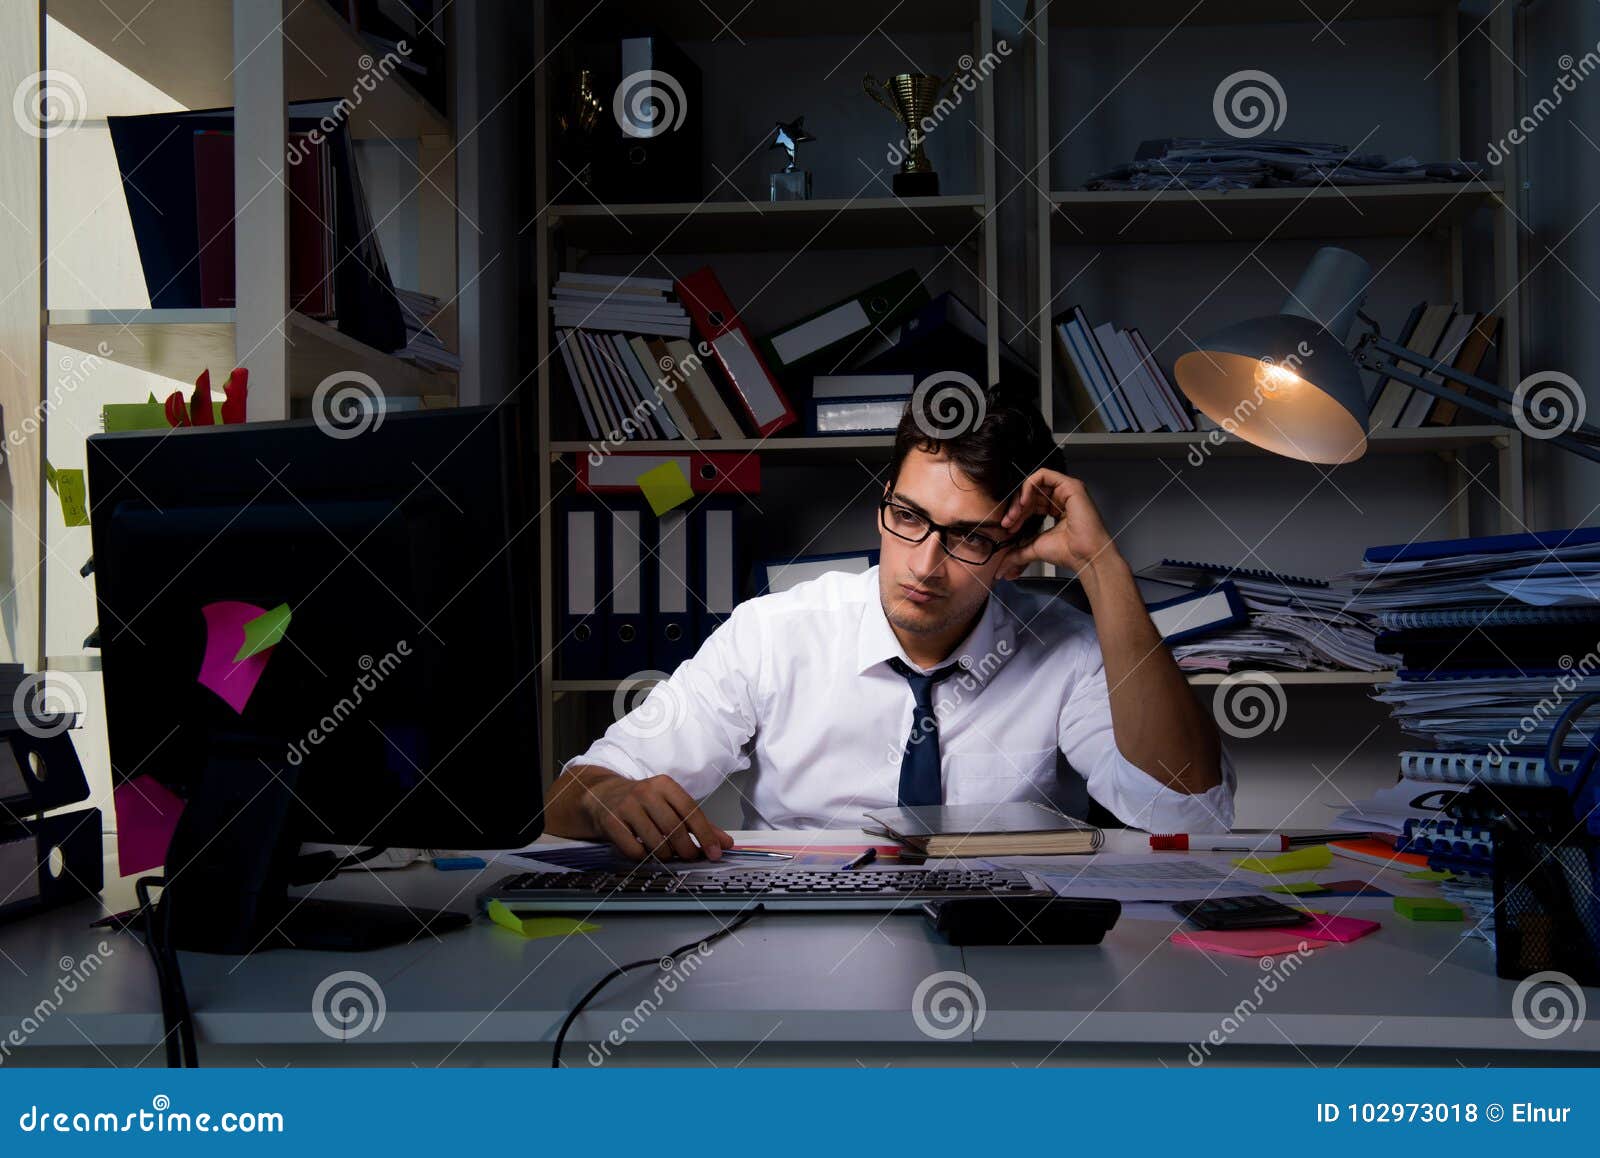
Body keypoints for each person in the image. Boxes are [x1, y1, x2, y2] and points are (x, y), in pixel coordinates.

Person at [546, 385, 1233, 860]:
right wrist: (608, 800)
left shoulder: (1065, 648)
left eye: (967, 538)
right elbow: (573, 795)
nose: (924, 565)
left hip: (1003, 950)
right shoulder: (772, 635)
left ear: (1015, 551)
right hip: (796, 953)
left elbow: (1188, 813)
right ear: (885, 505)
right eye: (908, 518)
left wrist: (1102, 566)